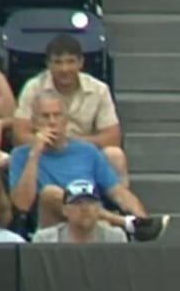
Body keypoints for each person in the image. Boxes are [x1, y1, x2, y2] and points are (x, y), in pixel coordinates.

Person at [8, 90, 165, 238]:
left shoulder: (87, 151)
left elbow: (118, 192)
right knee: (52, 193)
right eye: (45, 116)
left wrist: (143, 220)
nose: (52, 122)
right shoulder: (21, 155)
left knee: (93, 200)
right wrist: (35, 154)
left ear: (66, 120)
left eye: (57, 115)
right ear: (34, 122)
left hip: (94, 224)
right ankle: (124, 223)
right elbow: (22, 205)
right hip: (53, 228)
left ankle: (134, 225)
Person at [11, 34, 127, 181]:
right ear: (48, 64)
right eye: (58, 62)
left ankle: (115, 202)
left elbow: (113, 137)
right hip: (45, 154)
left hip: (85, 154)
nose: (64, 69)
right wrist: (42, 142)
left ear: (81, 63)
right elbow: (19, 136)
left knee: (115, 154)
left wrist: (71, 143)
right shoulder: (33, 88)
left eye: (70, 62)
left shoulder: (99, 89)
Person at [31, 180, 128, 243]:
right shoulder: (45, 240)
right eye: (77, 203)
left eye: (90, 202)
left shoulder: (115, 238)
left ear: (99, 208)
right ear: (65, 210)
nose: (85, 208)